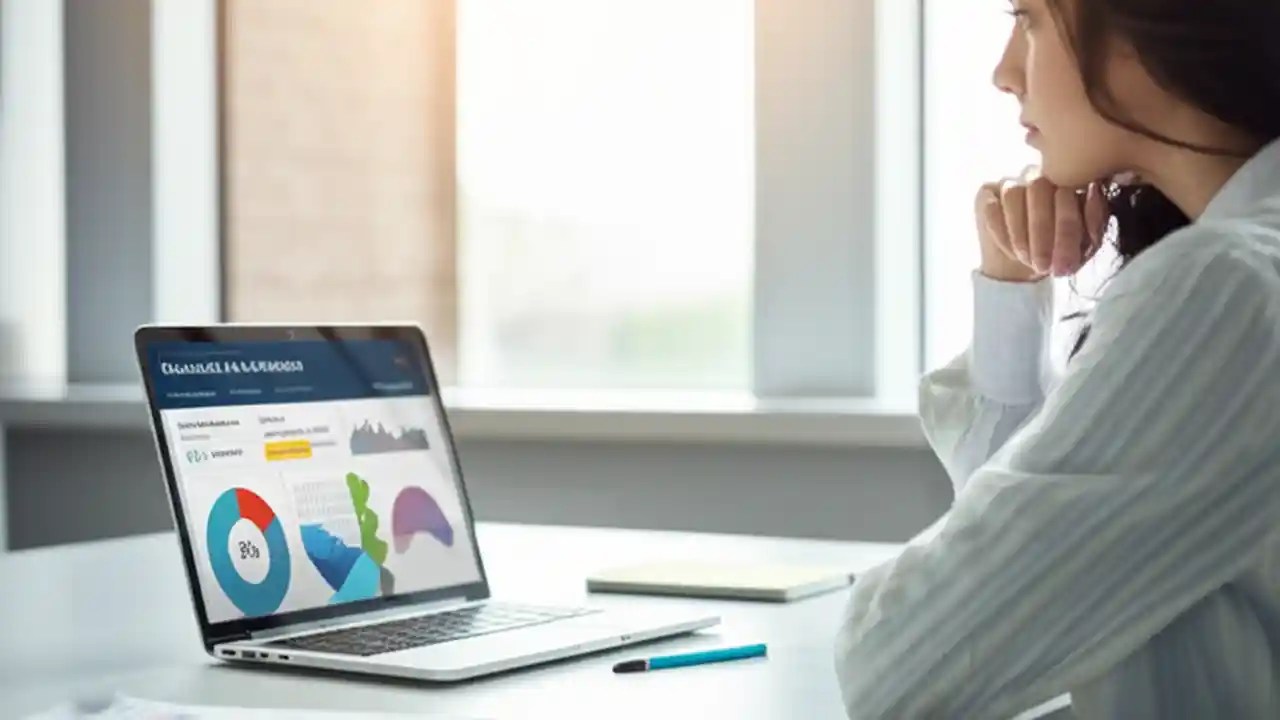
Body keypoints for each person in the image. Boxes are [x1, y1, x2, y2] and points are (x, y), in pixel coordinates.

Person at [833, 0, 1280, 717]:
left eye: (1028, 19)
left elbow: (903, 661)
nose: (1004, 71)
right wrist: (1012, 289)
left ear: (1144, 30)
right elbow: (1037, 588)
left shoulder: (1228, 287)